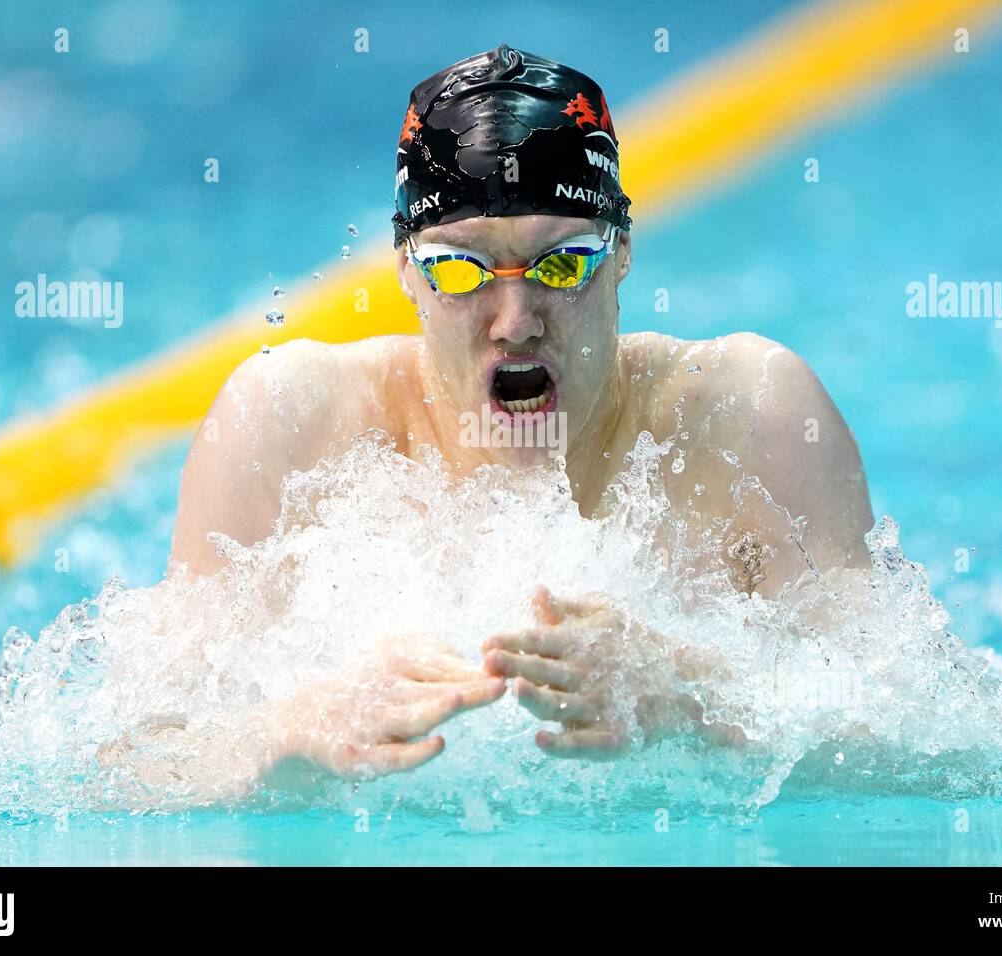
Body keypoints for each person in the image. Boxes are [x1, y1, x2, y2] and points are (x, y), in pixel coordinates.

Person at [167, 44, 874, 782]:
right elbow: (133, 756)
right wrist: (283, 732)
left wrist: (702, 700)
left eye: (563, 263)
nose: (515, 321)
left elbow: (935, 739)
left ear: (622, 250)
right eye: (460, 268)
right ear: (406, 266)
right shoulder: (289, 423)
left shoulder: (752, 417)